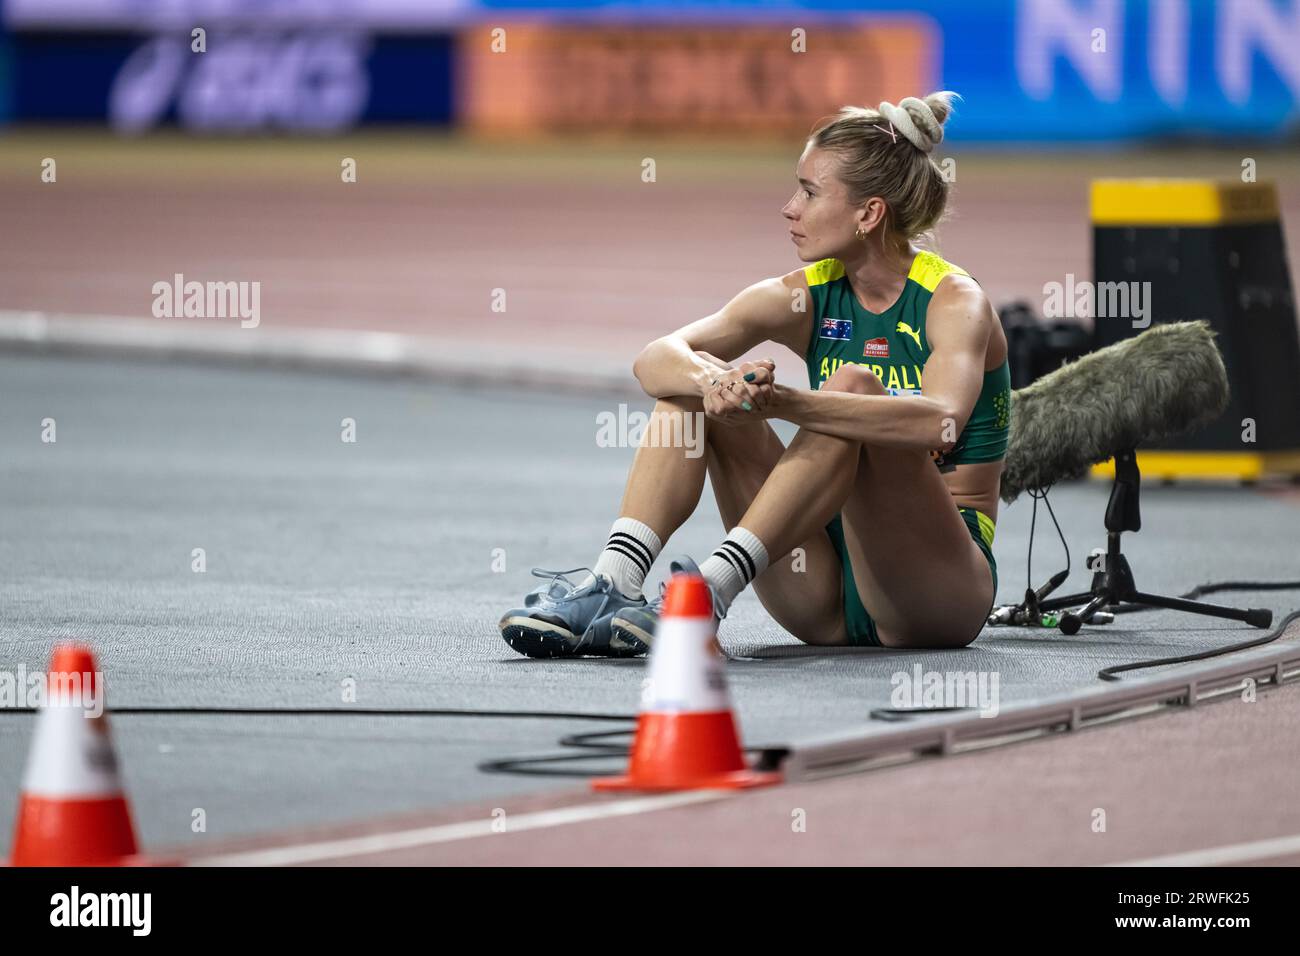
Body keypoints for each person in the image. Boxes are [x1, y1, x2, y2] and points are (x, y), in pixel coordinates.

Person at [499, 91, 1010, 658]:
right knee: (693, 383)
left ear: (868, 214)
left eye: (811, 193)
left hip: (933, 594)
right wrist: (713, 384)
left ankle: (706, 595)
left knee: (853, 389)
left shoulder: (954, 300)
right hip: (819, 585)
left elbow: (938, 424)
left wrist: (787, 403)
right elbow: (656, 357)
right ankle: (614, 581)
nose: (790, 208)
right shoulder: (803, 295)